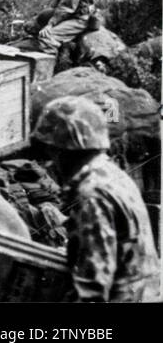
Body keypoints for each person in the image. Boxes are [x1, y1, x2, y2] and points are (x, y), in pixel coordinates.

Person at [30, 97, 160, 302]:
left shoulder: (91, 194)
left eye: (51, 150)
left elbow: (92, 291)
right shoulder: (111, 174)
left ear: (64, 151)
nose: (49, 161)